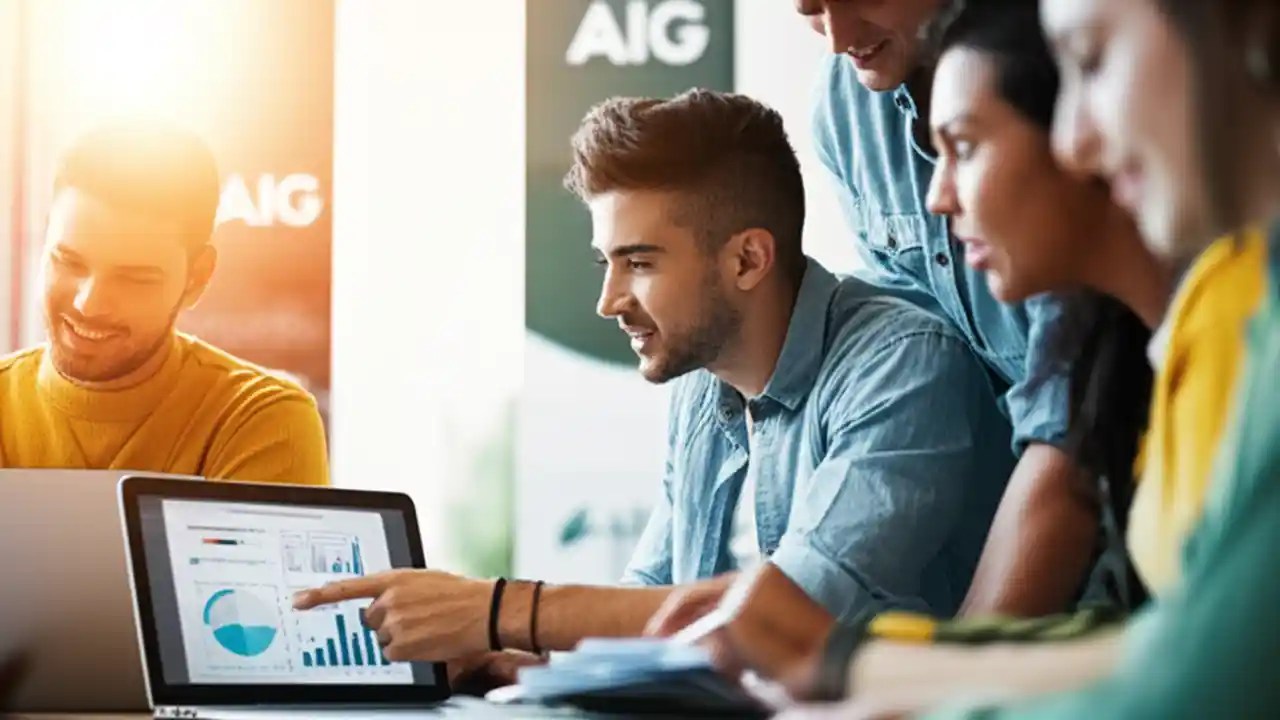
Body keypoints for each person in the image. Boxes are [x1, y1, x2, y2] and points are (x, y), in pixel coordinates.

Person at [292, 89, 1015, 663]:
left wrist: (497, 609)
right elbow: (654, 592)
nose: (608, 301)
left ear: (748, 259)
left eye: (638, 263)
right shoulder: (704, 383)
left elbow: (790, 611)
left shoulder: (903, 364)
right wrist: (513, 657)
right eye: (606, 263)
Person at [777, 0, 1280, 715]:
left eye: (1093, 62)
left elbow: (1194, 678)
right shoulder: (1176, 333)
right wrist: (854, 664)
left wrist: (890, 683)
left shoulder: (1240, 316)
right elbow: (1150, 645)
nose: (1079, 141)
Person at [798, 0, 1097, 616]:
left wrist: (962, 661)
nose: (837, 38)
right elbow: (921, 366)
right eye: (809, 9)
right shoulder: (845, 110)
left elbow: (1071, 431)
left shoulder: (1050, 56)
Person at [0, 122, 329, 485]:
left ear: (197, 278)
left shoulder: (258, 419)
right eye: (68, 262)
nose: (88, 304)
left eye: (134, 279)